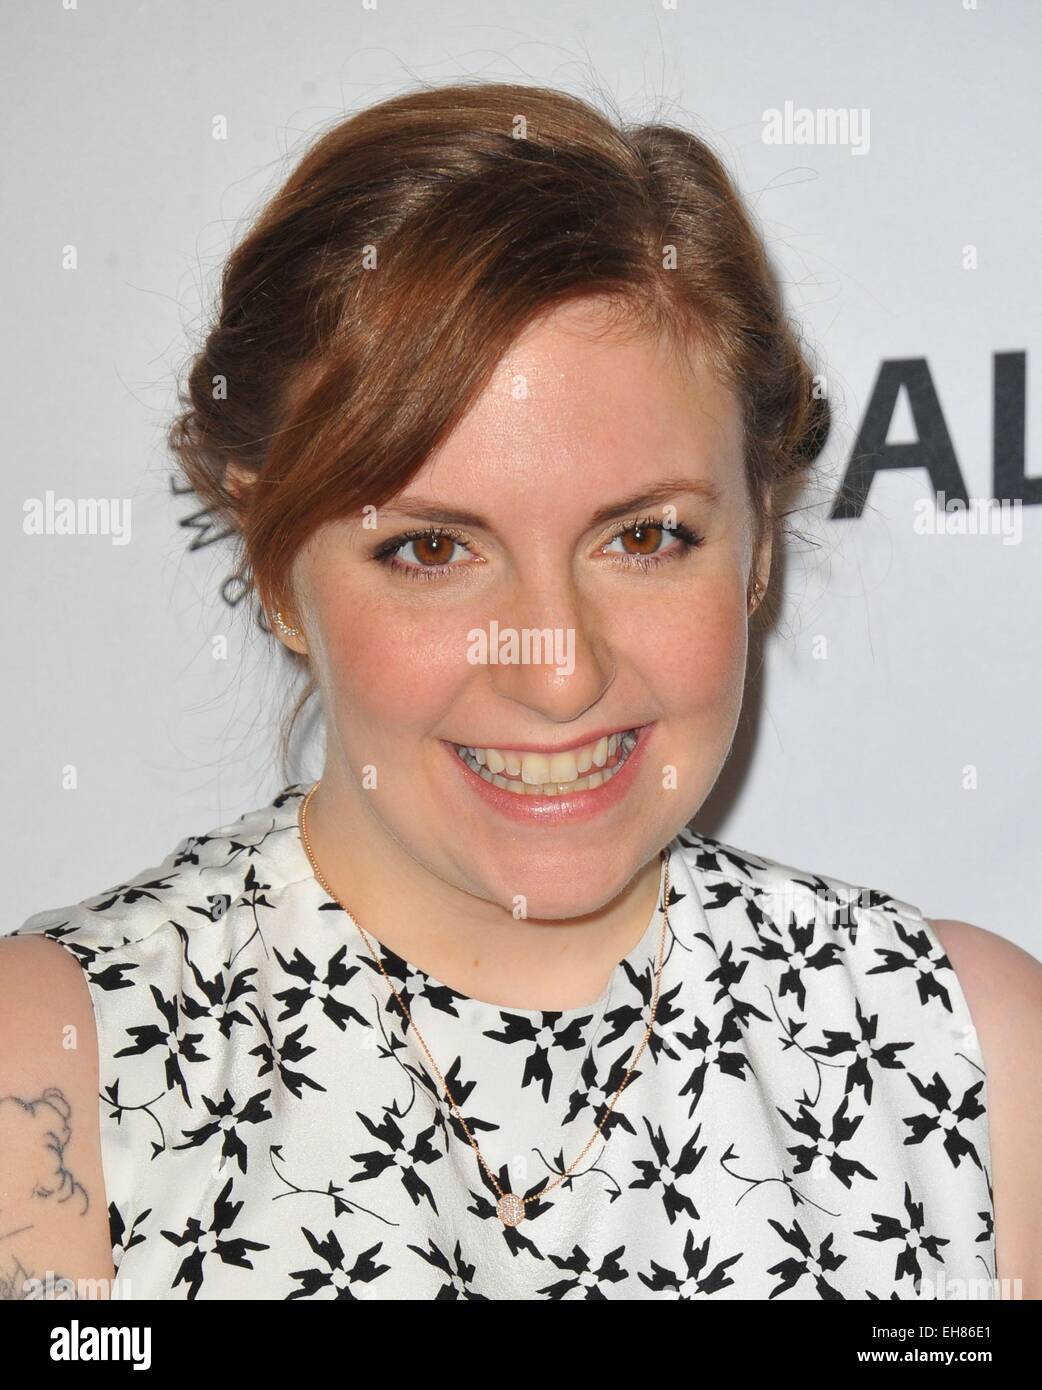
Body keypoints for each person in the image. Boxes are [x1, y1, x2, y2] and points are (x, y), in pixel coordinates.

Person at [3, 81, 1039, 1302]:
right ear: (276, 571)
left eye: (646, 537)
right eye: (431, 549)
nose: (558, 670)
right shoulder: (56, 1059)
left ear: (757, 540)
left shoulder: (963, 1048)